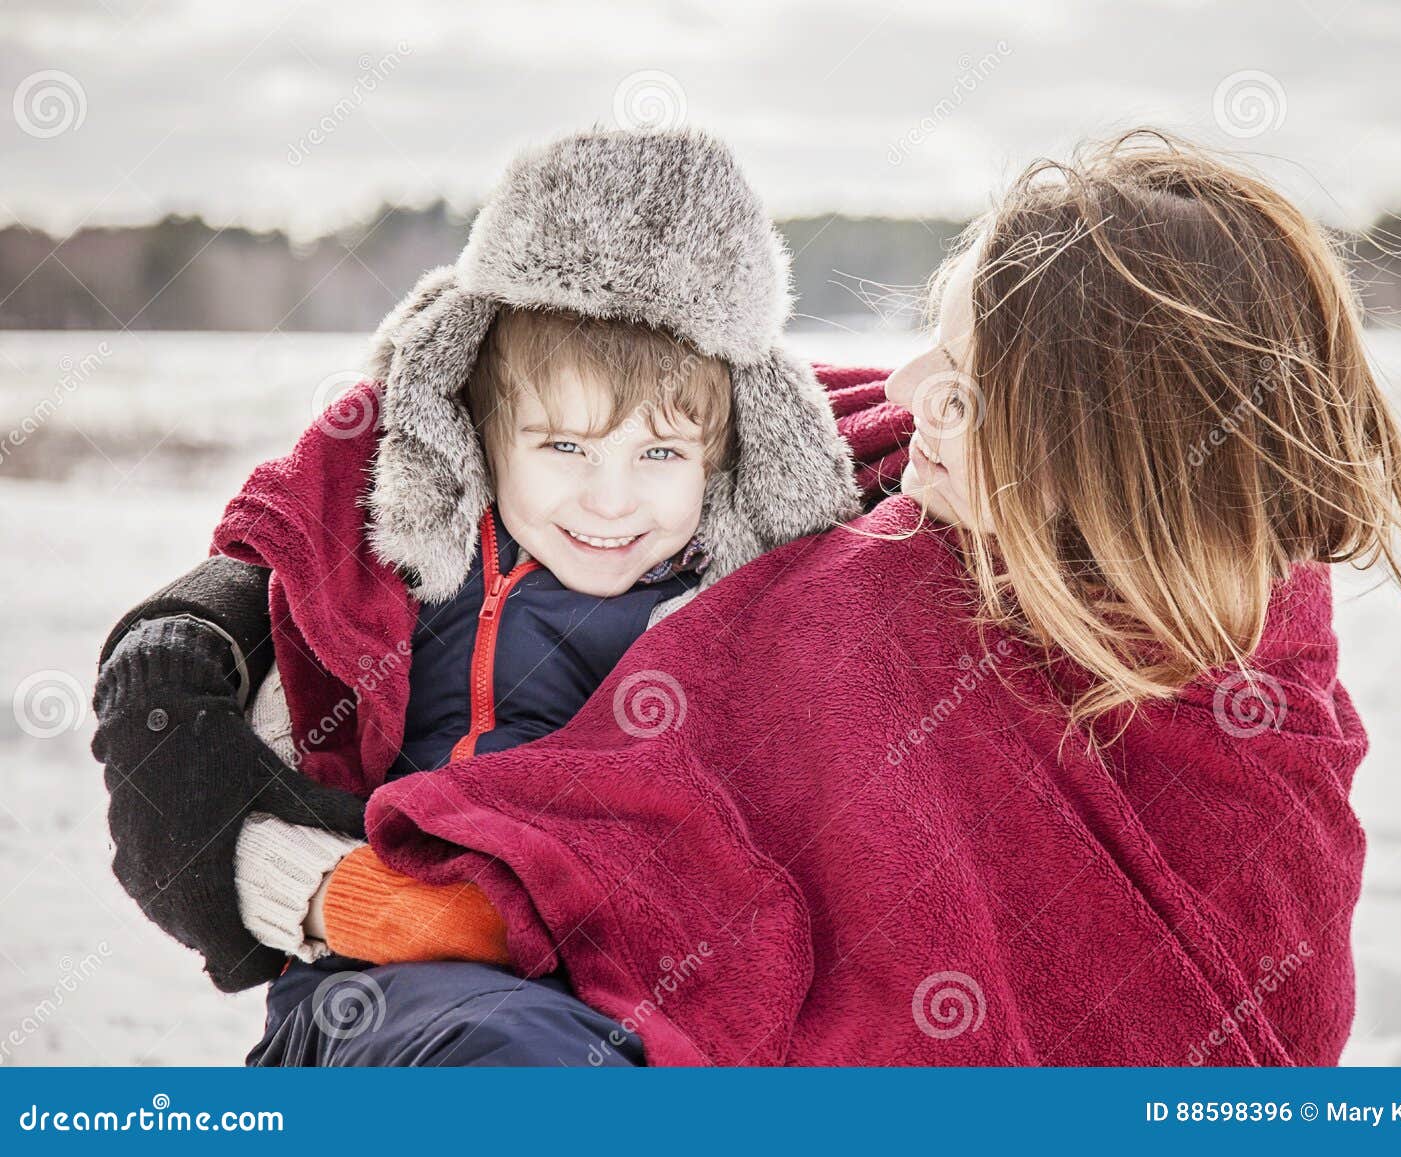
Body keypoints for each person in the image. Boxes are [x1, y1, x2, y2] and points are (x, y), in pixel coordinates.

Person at [95, 128, 1401, 1065]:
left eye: (973, 381)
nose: (914, 390)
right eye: (933, 347)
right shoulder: (900, 488)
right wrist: (216, 610)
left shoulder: (1237, 715)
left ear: (1102, 455)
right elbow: (527, 401)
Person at [89, 126, 862, 1064]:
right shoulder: (400, 569)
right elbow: (200, 794)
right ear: (479, 431)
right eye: (563, 447)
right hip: (379, 996)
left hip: (639, 999)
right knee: (513, 1054)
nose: (611, 501)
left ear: (727, 450)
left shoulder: (730, 603)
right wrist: (339, 893)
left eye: (659, 454)